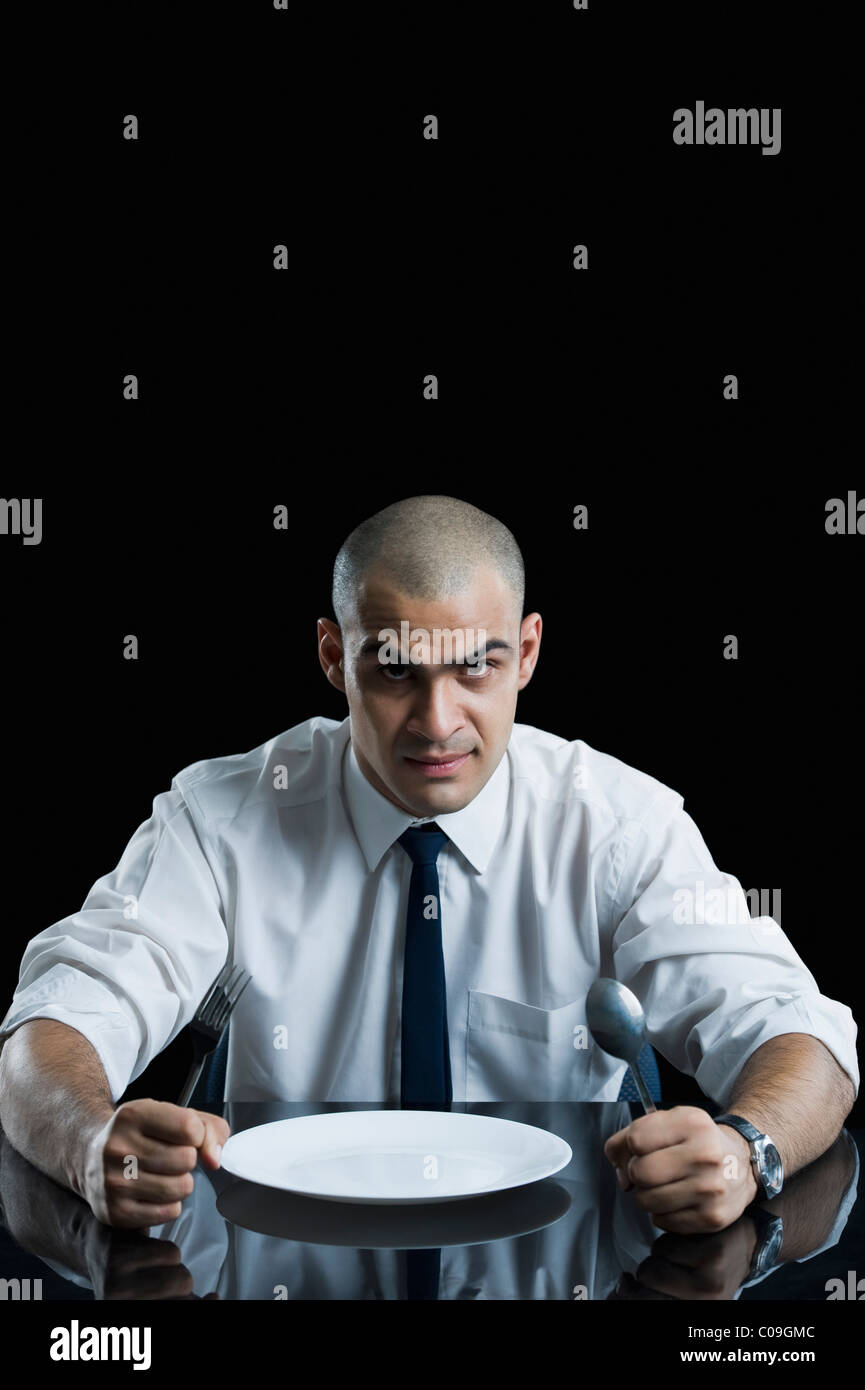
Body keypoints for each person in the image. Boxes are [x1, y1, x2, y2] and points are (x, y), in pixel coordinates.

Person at [0, 495, 857, 1233]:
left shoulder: (621, 827)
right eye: (395, 671)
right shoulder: (216, 821)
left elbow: (801, 1036)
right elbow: (56, 1021)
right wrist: (86, 1141)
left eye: (476, 667)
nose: (437, 722)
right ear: (334, 657)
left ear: (526, 653)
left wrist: (748, 1150)